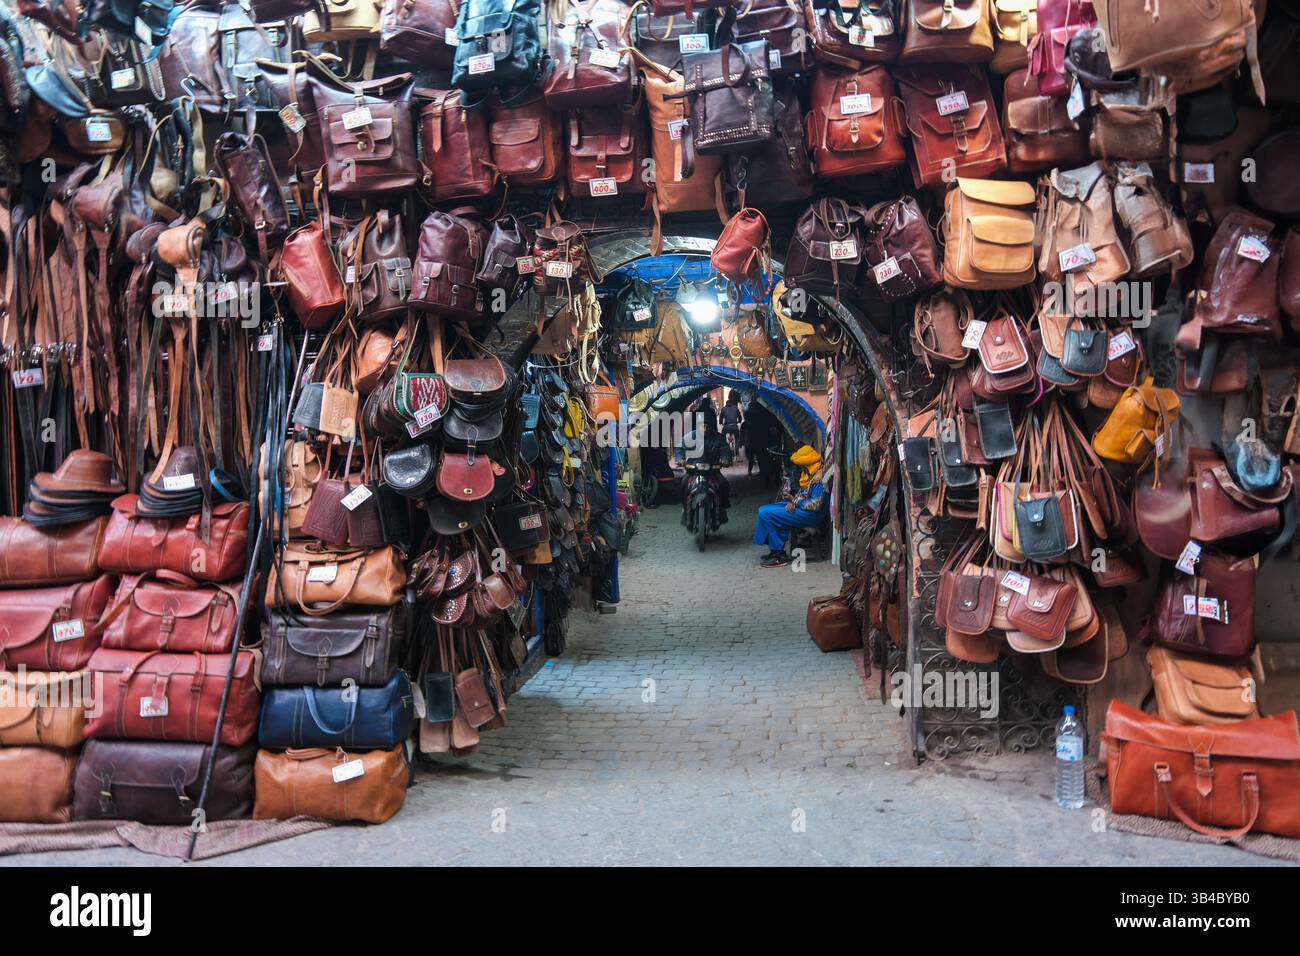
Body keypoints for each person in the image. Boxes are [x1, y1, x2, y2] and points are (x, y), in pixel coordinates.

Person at [753, 445, 826, 568]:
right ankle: (775, 549)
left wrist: (795, 501)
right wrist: (793, 501)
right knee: (765, 509)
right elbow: (803, 495)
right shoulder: (810, 475)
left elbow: (815, 505)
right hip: (803, 509)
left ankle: (779, 555)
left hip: (811, 515)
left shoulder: (819, 479)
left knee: (767, 514)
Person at [677, 415, 732, 523]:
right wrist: (680, 459)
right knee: (683, 483)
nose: (705, 429)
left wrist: (725, 459)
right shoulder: (690, 436)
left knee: (724, 484)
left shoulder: (718, 438)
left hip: (713, 470)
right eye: (703, 426)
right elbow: (680, 448)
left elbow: (725, 450)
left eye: (707, 427)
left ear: (711, 427)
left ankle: (722, 509)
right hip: (693, 469)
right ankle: (684, 508)